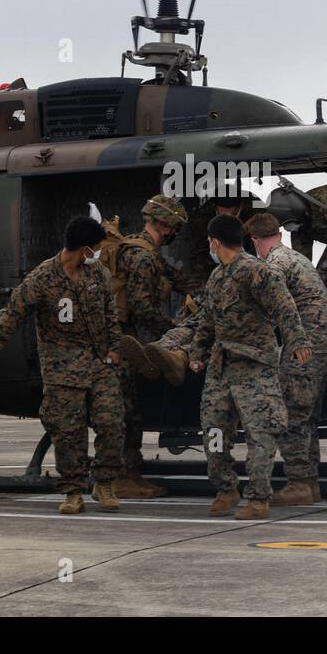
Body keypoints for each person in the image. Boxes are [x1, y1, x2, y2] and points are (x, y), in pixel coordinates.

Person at [0, 216, 126, 515]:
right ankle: (72, 491)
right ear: (83, 249)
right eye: (94, 249)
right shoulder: (42, 279)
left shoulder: (98, 275)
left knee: (112, 423)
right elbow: (11, 314)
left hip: (99, 364)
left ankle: (104, 483)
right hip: (62, 370)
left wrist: (115, 349)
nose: (97, 254)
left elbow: (111, 316)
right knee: (69, 433)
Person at [189, 214, 311, 520]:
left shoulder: (257, 272)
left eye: (209, 242)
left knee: (260, 433)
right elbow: (207, 320)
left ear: (215, 242)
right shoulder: (217, 277)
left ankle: (258, 498)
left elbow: (285, 307)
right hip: (221, 368)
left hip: (255, 367)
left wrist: (297, 342)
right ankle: (225, 488)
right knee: (214, 430)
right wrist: (197, 352)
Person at [244, 212, 327, 506]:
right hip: (321, 344)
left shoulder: (275, 265)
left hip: (304, 346)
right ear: (280, 235)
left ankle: (299, 483)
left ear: (255, 241)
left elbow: (269, 309)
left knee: (292, 416)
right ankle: (308, 483)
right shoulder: (295, 258)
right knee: (307, 417)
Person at [112, 194, 189, 498]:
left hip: (122, 337)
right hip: (122, 339)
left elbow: (178, 279)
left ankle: (127, 472)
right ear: (166, 225)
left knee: (128, 409)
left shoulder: (139, 248)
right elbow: (141, 308)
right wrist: (175, 329)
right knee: (127, 411)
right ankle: (122, 475)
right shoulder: (143, 257)